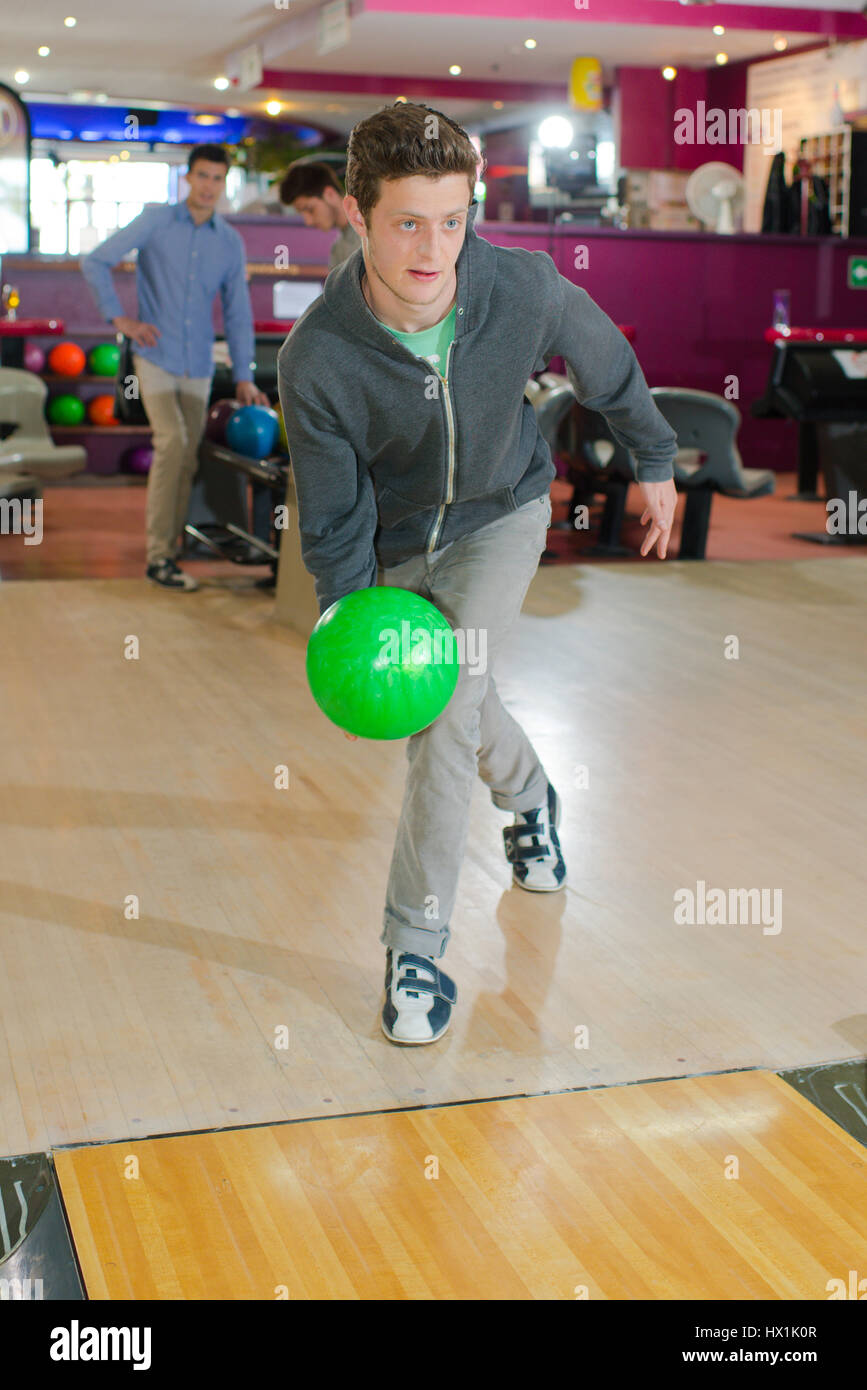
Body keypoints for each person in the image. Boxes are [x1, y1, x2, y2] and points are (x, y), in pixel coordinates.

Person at [277, 103, 678, 1046]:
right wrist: (352, 616)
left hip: (502, 515)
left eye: (451, 221)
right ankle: (533, 798)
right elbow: (333, 513)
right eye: (407, 223)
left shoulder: (521, 287)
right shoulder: (318, 356)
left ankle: (413, 952)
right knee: (448, 692)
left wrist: (653, 459)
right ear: (358, 216)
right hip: (399, 540)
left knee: (449, 700)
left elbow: (606, 362)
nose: (431, 250)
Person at [81, 143, 268, 591]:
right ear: (187, 177)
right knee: (173, 443)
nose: (208, 186)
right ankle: (159, 558)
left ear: (224, 184)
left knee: (186, 455)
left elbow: (238, 312)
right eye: (202, 176)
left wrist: (244, 374)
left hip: (200, 362)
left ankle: (173, 547)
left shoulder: (229, 242)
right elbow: (97, 260)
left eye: (217, 179)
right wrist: (120, 320)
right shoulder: (156, 220)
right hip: (156, 356)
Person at [279, 161, 361, 270]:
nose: (308, 221)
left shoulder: (370, 231)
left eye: (310, 209)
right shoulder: (337, 250)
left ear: (329, 194)